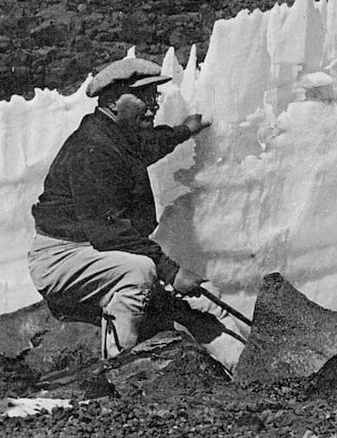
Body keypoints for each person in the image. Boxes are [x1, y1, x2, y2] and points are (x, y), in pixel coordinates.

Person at [27, 57, 243, 366]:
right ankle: (119, 368)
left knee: (202, 297)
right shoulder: (93, 149)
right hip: (64, 255)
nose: (153, 105)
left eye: (154, 96)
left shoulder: (117, 136)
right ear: (114, 101)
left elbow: (150, 144)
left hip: (98, 251)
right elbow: (108, 231)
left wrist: (184, 131)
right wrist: (170, 271)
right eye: (144, 97)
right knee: (139, 272)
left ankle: (243, 366)